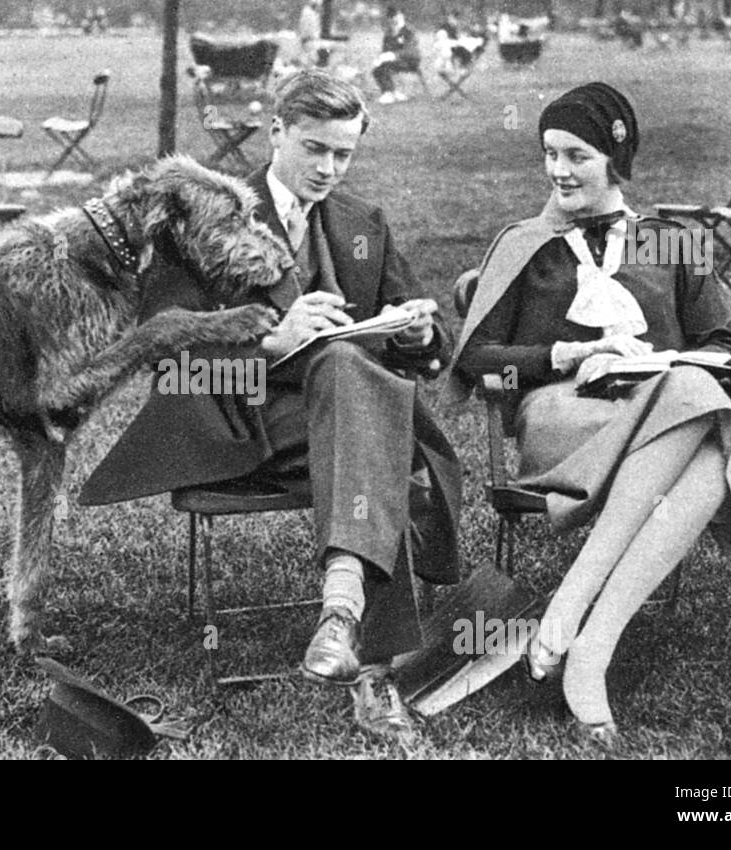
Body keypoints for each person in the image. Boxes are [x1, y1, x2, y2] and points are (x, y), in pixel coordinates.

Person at [80, 69, 461, 736]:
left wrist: (421, 333)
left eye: (343, 154)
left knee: (352, 377)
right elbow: (170, 364)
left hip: (340, 431)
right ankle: (373, 669)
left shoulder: (361, 223)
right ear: (277, 132)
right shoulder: (202, 218)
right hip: (243, 426)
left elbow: (420, 350)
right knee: (374, 425)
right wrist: (277, 345)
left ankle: (340, 621)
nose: (328, 168)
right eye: (314, 148)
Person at [449, 83, 731, 746]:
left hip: (658, 411)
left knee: (694, 401)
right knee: (711, 438)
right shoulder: (527, 246)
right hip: (562, 420)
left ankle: (587, 638)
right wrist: (570, 353)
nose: (558, 171)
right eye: (550, 154)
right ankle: (579, 624)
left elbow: (723, 347)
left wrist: (664, 367)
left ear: (615, 162)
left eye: (577, 155)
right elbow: (478, 358)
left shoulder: (673, 243)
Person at [372, 7, 421, 104]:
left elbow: (411, 51)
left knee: (385, 67)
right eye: (391, 18)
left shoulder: (408, 31)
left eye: (396, 16)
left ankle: (390, 93)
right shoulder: (388, 33)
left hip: (410, 61)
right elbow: (385, 50)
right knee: (376, 69)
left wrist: (393, 55)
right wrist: (380, 58)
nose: (393, 20)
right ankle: (390, 92)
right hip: (393, 61)